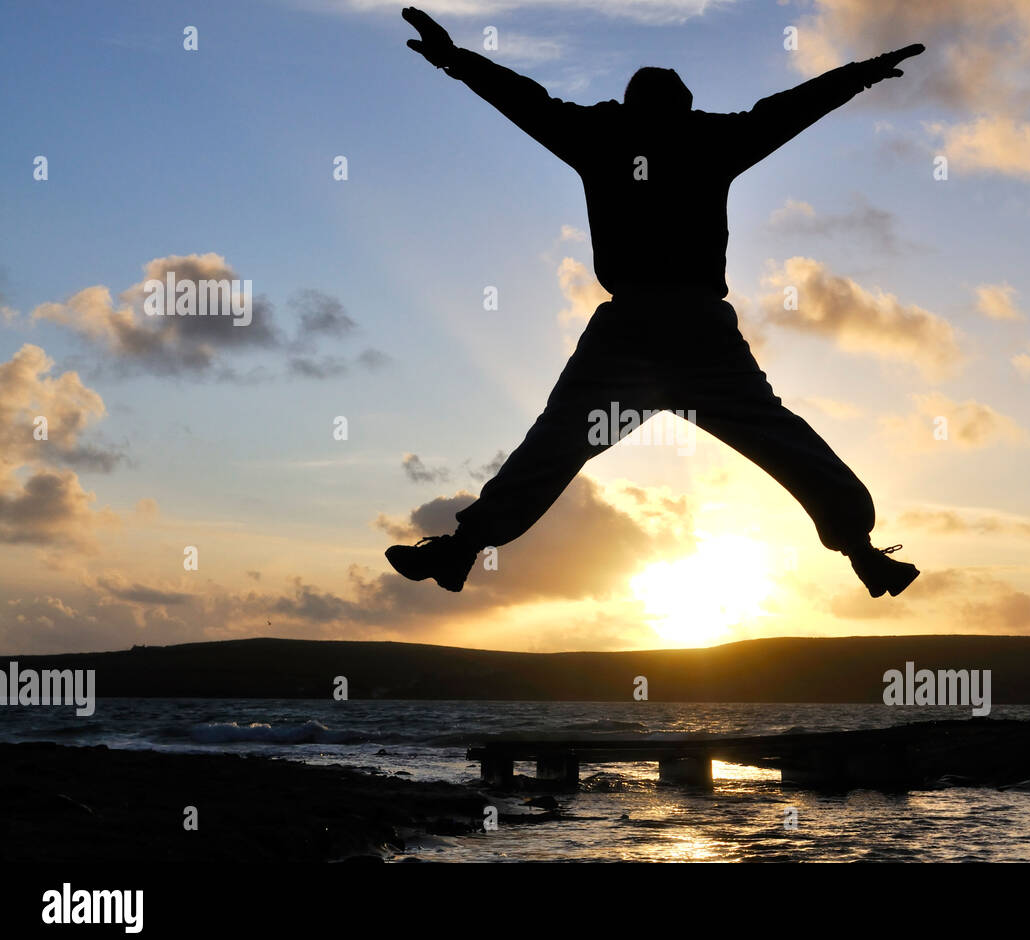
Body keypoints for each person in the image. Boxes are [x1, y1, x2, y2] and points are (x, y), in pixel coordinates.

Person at [387, 7, 924, 599]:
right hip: (693, 331)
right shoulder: (707, 140)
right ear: (683, 109)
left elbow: (524, 100)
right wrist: (861, 72)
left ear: (630, 106)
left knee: (557, 442)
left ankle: (462, 550)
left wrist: (452, 58)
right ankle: (862, 551)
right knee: (783, 441)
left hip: (636, 330)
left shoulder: (602, 136)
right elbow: (789, 110)